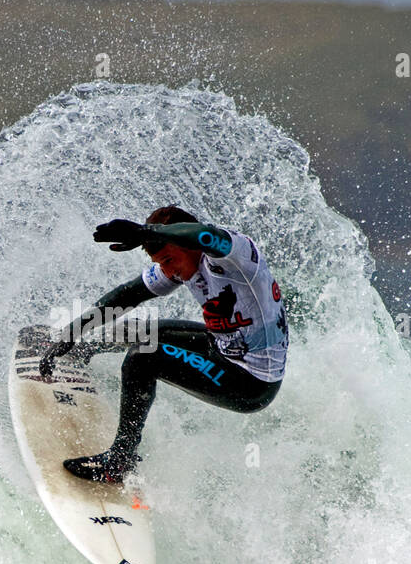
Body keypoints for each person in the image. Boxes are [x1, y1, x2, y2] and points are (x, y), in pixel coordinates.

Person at [39, 206, 288, 484]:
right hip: (220, 347)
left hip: (251, 383)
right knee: (146, 330)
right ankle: (85, 350)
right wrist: (75, 331)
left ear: (188, 246)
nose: (169, 271)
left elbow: (202, 233)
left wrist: (145, 231)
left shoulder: (235, 256)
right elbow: (128, 294)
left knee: (142, 357)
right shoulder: (179, 267)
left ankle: (119, 462)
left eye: (169, 259)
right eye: (161, 264)